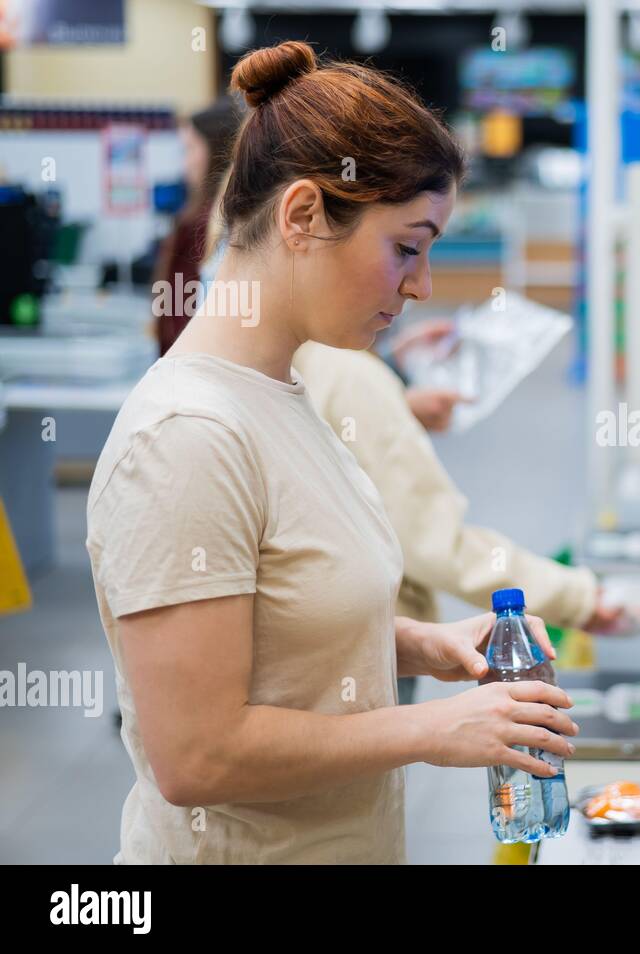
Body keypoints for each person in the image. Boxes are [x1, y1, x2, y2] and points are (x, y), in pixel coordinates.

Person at [85, 41, 576, 864]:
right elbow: (195, 755)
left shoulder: (287, 393)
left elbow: (276, 617)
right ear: (303, 215)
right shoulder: (187, 440)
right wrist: (427, 728)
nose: (420, 285)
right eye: (407, 247)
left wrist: (420, 645)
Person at [290, 337, 624, 706]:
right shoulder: (349, 376)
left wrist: (392, 390)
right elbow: (436, 542)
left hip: (321, 651)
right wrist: (579, 599)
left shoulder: (284, 364)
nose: (419, 288)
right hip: (369, 648)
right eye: (400, 274)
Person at [153, 96, 241, 356]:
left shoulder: (209, 224)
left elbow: (182, 314)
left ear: (215, 150)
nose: (185, 163)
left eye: (190, 149)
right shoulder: (202, 219)